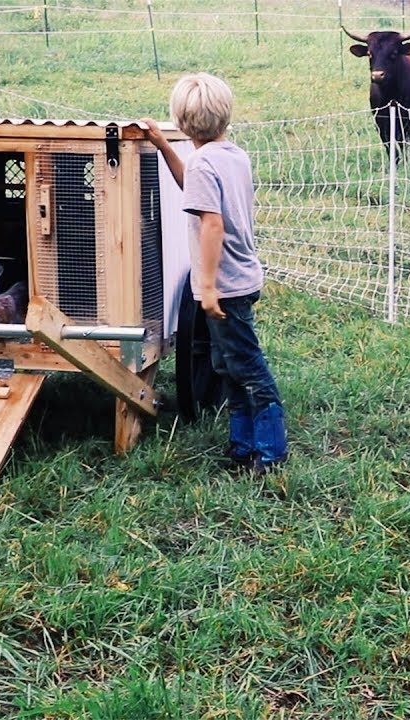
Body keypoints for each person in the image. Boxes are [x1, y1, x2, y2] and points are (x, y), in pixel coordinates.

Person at [140, 73, 288, 475]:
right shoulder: (231, 154)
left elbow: (212, 224)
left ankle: (272, 454)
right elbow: (194, 185)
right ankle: (242, 448)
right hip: (243, 277)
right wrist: (163, 146)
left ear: (182, 120)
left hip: (224, 285)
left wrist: (206, 286)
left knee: (250, 370)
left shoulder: (205, 163)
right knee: (228, 369)